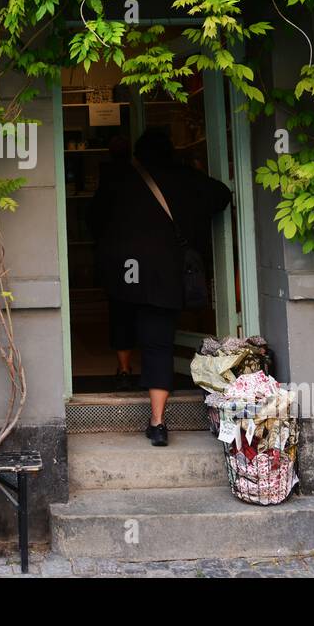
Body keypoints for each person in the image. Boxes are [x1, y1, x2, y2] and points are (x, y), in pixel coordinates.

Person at [88, 127, 232, 446]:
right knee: (158, 345)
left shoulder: (120, 178)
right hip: (166, 274)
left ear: (138, 154)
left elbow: (94, 218)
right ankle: (157, 422)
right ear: (172, 152)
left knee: (122, 316)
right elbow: (222, 196)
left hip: (125, 269)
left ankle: (124, 371)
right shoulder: (186, 178)